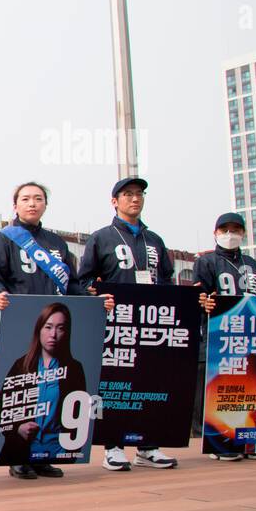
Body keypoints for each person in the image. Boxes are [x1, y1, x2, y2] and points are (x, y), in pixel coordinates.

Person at [0, 181, 101, 480]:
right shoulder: (4, 239)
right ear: (15, 205)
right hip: (19, 322)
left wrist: (92, 298)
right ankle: (19, 455)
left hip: (53, 324)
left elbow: (72, 284)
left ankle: (44, 454)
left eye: (38, 198)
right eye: (25, 199)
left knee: (56, 388)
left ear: (45, 204)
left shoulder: (57, 244)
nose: (32, 203)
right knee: (23, 388)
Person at [78, 177, 178, 472]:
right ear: (115, 201)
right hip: (116, 325)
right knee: (114, 383)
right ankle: (113, 445)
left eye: (139, 194)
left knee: (150, 381)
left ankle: (148, 446)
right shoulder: (101, 238)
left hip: (150, 325)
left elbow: (168, 279)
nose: (134, 199)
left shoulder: (155, 240)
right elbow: (85, 281)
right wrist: (95, 295)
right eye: (128, 194)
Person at [192, 212, 256, 461]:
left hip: (249, 336)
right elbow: (197, 298)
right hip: (219, 335)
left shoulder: (251, 263)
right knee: (221, 389)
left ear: (243, 233)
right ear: (215, 233)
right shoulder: (206, 262)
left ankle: (248, 438)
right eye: (224, 229)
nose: (230, 234)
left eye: (236, 229)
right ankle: (220, 441)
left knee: (248, 387)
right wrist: (204, 303)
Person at [0, 302, 89, 467]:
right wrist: (18, 427)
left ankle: (45, 464)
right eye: (48, 327)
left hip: (57, 449)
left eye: (60, 328)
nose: (53, 334)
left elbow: (81, 415)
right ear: (39, 329)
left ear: (67, 332)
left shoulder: (74, 368)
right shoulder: (22, 365)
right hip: (21, 449)